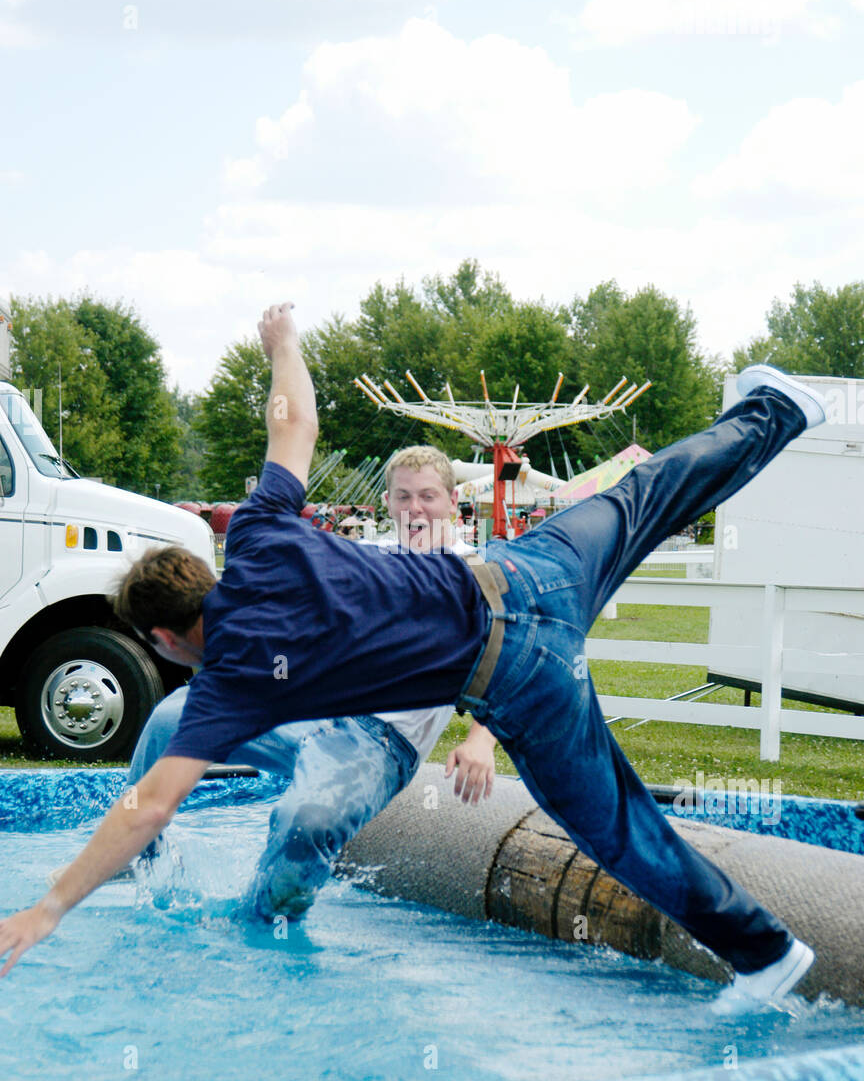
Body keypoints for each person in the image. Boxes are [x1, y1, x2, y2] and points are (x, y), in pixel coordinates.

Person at [0, 302, 823, 1016]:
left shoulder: (230, 684)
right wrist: (282, 342)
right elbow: (294, 423)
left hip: (519, 676)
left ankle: (765, 953)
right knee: (649, 494)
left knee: (618, 829)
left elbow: (145, 805)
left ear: (163, 639)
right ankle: (778, 408)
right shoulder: (256, 536)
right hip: (535, 568)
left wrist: (48, 908)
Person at [91, 446, 498, 920]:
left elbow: (511, 665)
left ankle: (262, 921)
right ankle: (142, 854)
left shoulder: (474, 581)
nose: (415, 510)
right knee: (169, 719)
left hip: (377, 743)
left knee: (305, 820)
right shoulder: (369, 556)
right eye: (403, 497)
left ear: (452, 501)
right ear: (386, 501)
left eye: (428, 497)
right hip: (309, 712)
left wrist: (481, 740)